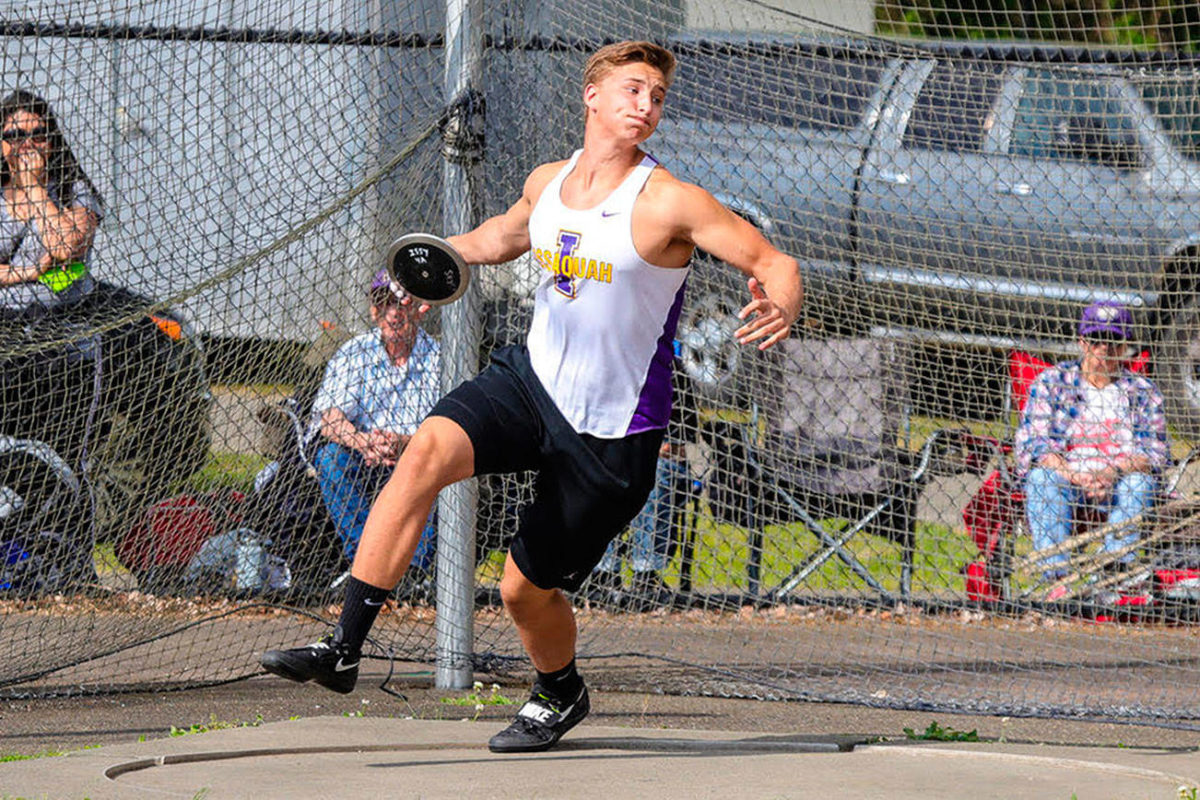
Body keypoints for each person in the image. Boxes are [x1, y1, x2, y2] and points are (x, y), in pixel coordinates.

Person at [260, 40, 802, 753]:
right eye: (634, 90)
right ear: (593, 97)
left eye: (658, 97)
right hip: (531, 380)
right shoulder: (549, 180)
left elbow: (773, 259)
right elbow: (503, 235)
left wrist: (784, 300)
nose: (647, 106)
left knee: (524, 592)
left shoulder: (669, 200)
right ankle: (343, 647)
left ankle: (559, 691)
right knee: (425, 450)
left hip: (612, 430)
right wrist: (426, 260)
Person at [1014, 301, 1169, 595]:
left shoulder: (1143, 391)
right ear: (1082, 342)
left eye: (1112, 341)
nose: (1103, 349)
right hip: (1066, 478)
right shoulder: (1052, 382)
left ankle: (1114, 578)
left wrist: (1112, 472)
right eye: (1096, 340)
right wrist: (1073, 474)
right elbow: (1033, 444)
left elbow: (1156, 453)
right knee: (1041, 479)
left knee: (1139, 484)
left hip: (1121, 481)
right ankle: (1056, 581)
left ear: (1125, 346)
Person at [310, 269, 441, 586]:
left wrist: (405, 443)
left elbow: (447, 428)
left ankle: (412, 572)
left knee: (440, 469)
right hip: (365, 454)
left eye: (401, 304)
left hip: (416, 454)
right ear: (373, 310)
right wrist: (362, 442)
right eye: (384, 304)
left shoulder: (440, 357)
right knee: (329, 459)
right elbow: (330, 419)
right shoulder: (354, 352)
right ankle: (366, 566)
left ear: (420, 309)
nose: (393, 313)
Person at [590, 352, 697, 610]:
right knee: (605, 470)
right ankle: (604, 576)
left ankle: (645, 576)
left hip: (653, 463)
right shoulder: (598, 364)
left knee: (656, 473)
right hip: (610, 458)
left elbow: (676, 448)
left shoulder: (671, 369)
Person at [0, 90, 103, 311]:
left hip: (61, 327)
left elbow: (64, 247)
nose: (27, 145)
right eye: (15, 136)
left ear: (52, 143)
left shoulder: (72, 191)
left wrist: (34, 187)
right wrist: (30, 271)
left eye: (38, 136)